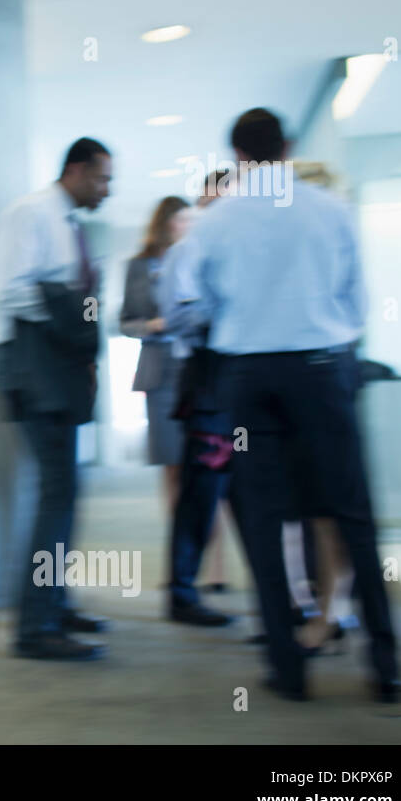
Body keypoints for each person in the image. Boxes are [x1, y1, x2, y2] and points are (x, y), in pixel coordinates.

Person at [170, 108, 401, 702]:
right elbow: (356, 298)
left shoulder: (215, 220)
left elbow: (188, 304)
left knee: (263, 518)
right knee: (352, 511)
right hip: (322, 370)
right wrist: (328, 335)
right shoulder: (330, 210)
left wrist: (231, 326)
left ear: (237, 154)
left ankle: (288, 668)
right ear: (289, 147)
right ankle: (387, 668)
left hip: (247, 376)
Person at [0, 137, 112, 661]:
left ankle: (53, 603)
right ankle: (36, 627)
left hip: (55, 366)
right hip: (32, 364)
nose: (107, 189)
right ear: (76, 170)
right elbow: (9, 289)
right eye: (102, 178)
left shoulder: (68, 223)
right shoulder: (31, 213)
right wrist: (72, 329)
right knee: (57, 492)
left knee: (64, 491)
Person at [158, 171, 236, 627]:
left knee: (253, 494)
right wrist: (228, 310)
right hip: (209, 378)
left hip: (247, 378)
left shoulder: (244, 248)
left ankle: (282, 599)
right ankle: (182, 594)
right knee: (201, 493)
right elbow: (178, 317)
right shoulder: (187, 251)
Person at [120, 196, 191, 513]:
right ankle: (179, 533)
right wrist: (153, 325)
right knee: (171, 459)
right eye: (178, 220)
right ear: (164, 224)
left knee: (203, 459)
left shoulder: (197, 259)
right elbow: (125, 323)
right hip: (159, 369)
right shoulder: (139, 266)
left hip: (193, 364)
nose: (185, 226)